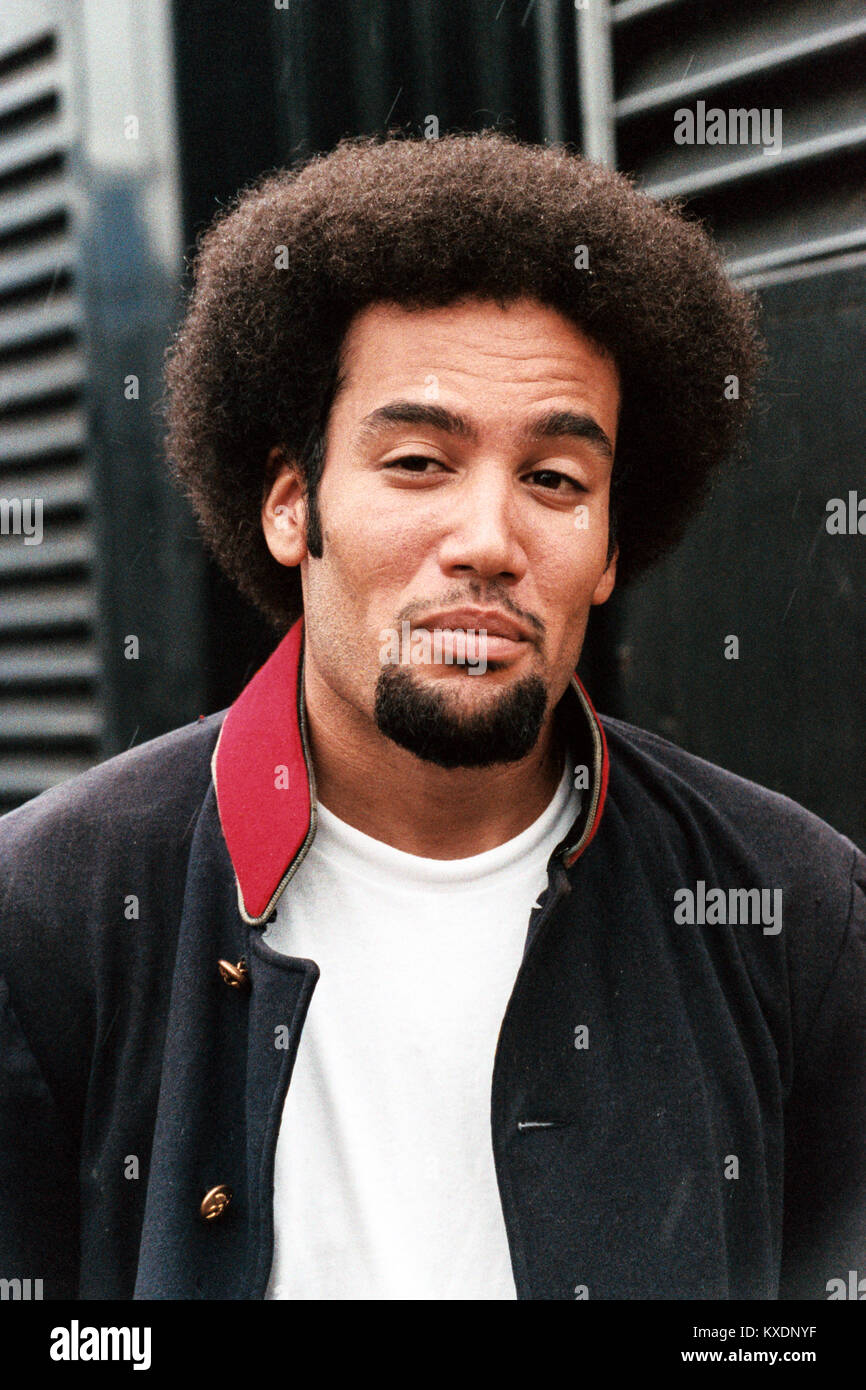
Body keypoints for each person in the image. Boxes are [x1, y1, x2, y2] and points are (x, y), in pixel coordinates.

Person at [1, 132, 863, 1301]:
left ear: (608, 547)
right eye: (417, 460)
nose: (488, 542)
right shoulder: (48, 916)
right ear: (292, 507)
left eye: (555, 479)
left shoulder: (794, 916)